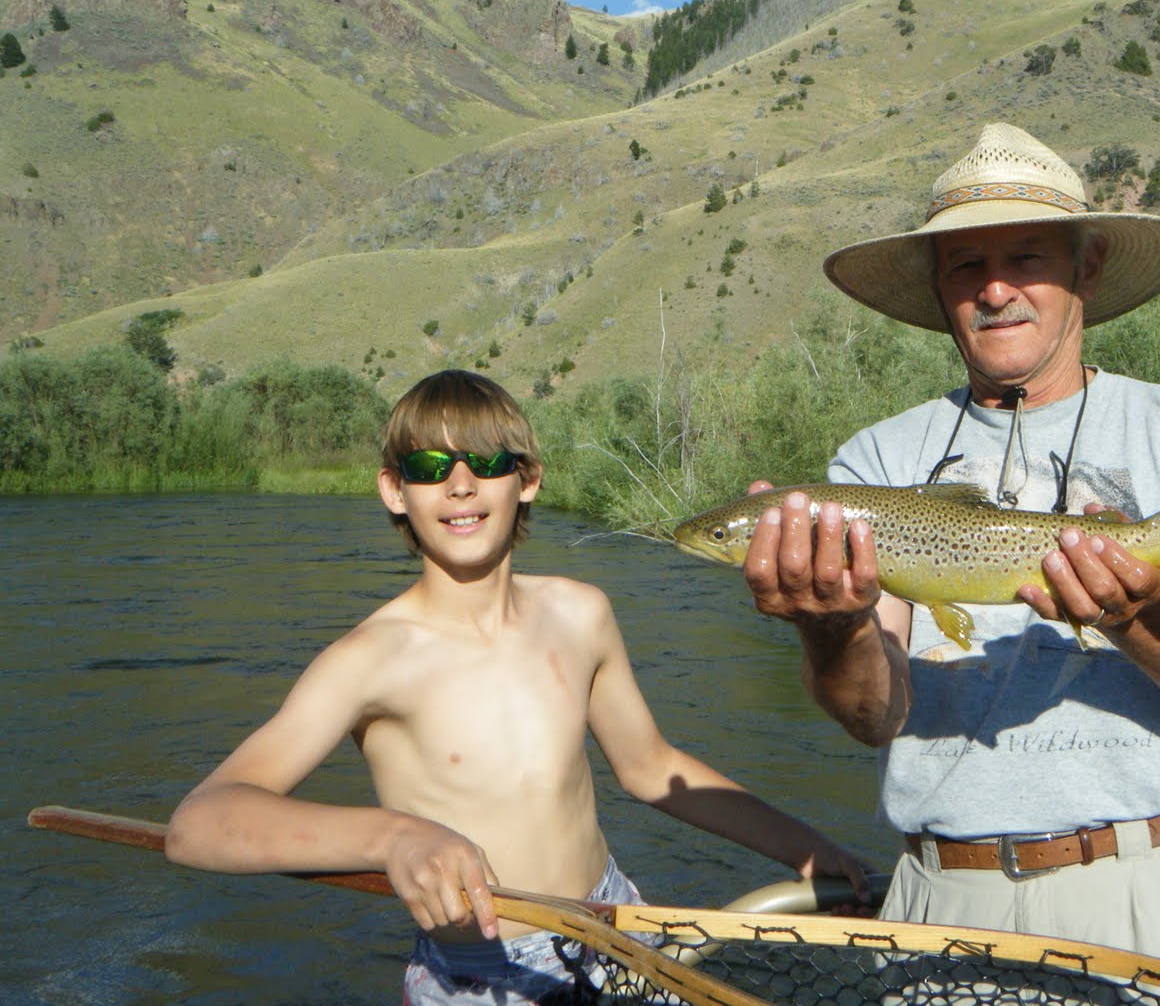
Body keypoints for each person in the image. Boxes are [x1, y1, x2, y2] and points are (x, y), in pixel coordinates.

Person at [741, 122, 1160, 996]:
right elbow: (875, 717)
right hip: (946, 901)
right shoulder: (872, 461)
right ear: (939, 290)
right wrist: (832, 632)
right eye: (963, 266)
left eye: (1025, 257)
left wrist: (1137, 621)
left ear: (1086, 269)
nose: (994, 289)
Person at [166, 368, 867, 1005]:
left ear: (526, 479)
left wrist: (805, 848)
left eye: (488, 462)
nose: (461, 484)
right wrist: (394, 838)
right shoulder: (369, 659)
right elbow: (200, 824)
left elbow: (651, 767)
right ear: (394, 490)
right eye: (431, 466)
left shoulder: (580, 611)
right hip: (480, 978)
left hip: (617, 928)